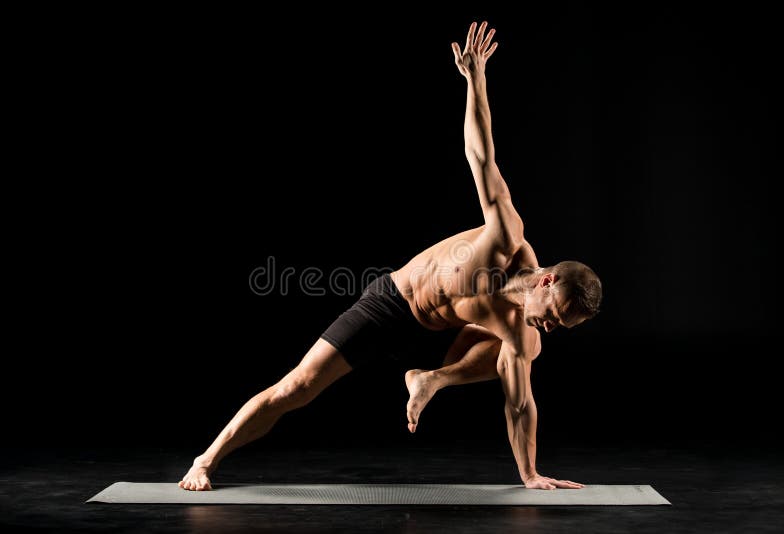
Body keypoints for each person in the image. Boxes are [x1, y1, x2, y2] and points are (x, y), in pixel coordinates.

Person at [179, 21, 601, 492]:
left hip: (438, 339)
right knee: (296, 387)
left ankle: (431, 379)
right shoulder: (504, 241)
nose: (551, 326)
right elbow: (481, 157)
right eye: (555, 315)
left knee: (522, 352)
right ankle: (205, 460)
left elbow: (520, 406)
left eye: (562, 326)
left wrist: (530, 475)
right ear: (546, 281)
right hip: (393, 308)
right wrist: (475, 80)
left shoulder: (523, 330)